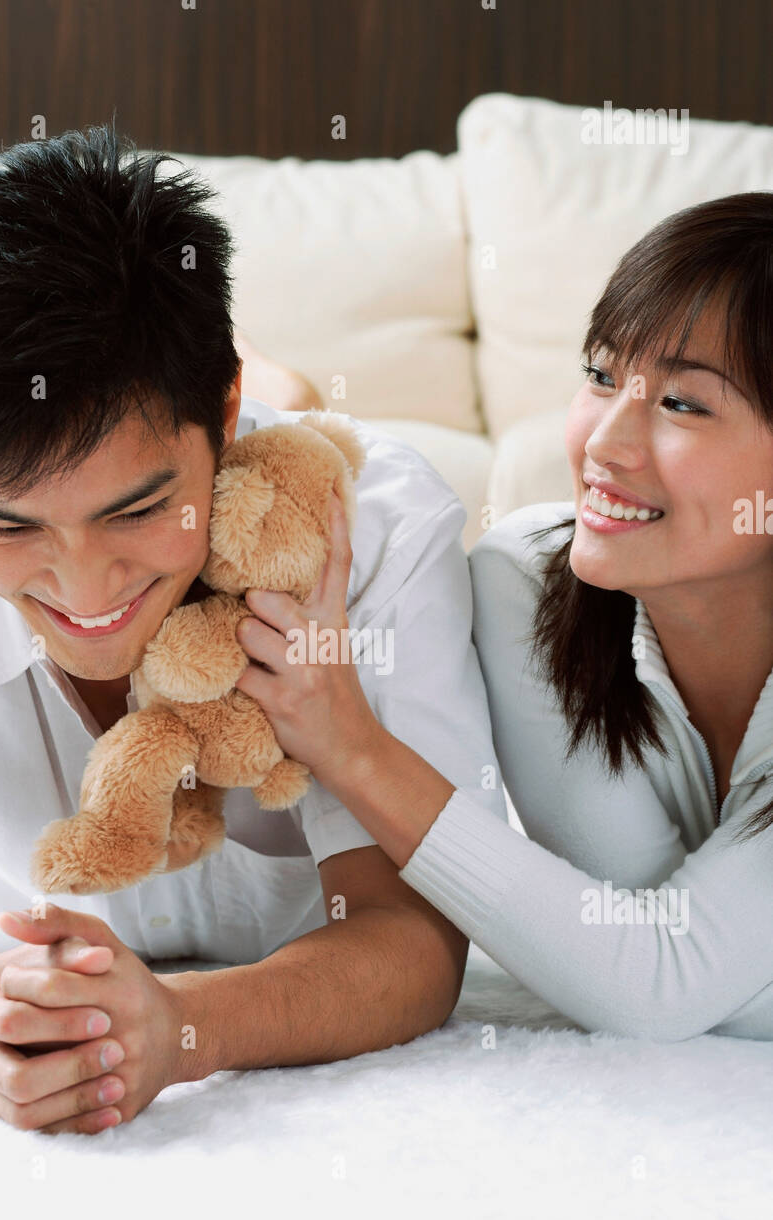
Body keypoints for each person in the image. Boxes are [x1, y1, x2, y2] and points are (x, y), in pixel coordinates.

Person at [0, 124, 506, 1132]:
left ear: (223, 409)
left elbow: (413, 938)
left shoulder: (374, 524)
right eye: (7, 525)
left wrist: (179, 1025)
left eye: (136, 511)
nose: (82, 584)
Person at [239, 193, 773, 1044]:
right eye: (600, 376)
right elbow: (623, 935)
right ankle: (288, 402)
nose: (605, 445)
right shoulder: (528, 583)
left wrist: (353, 747)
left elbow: (652, 983)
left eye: (682, 404)